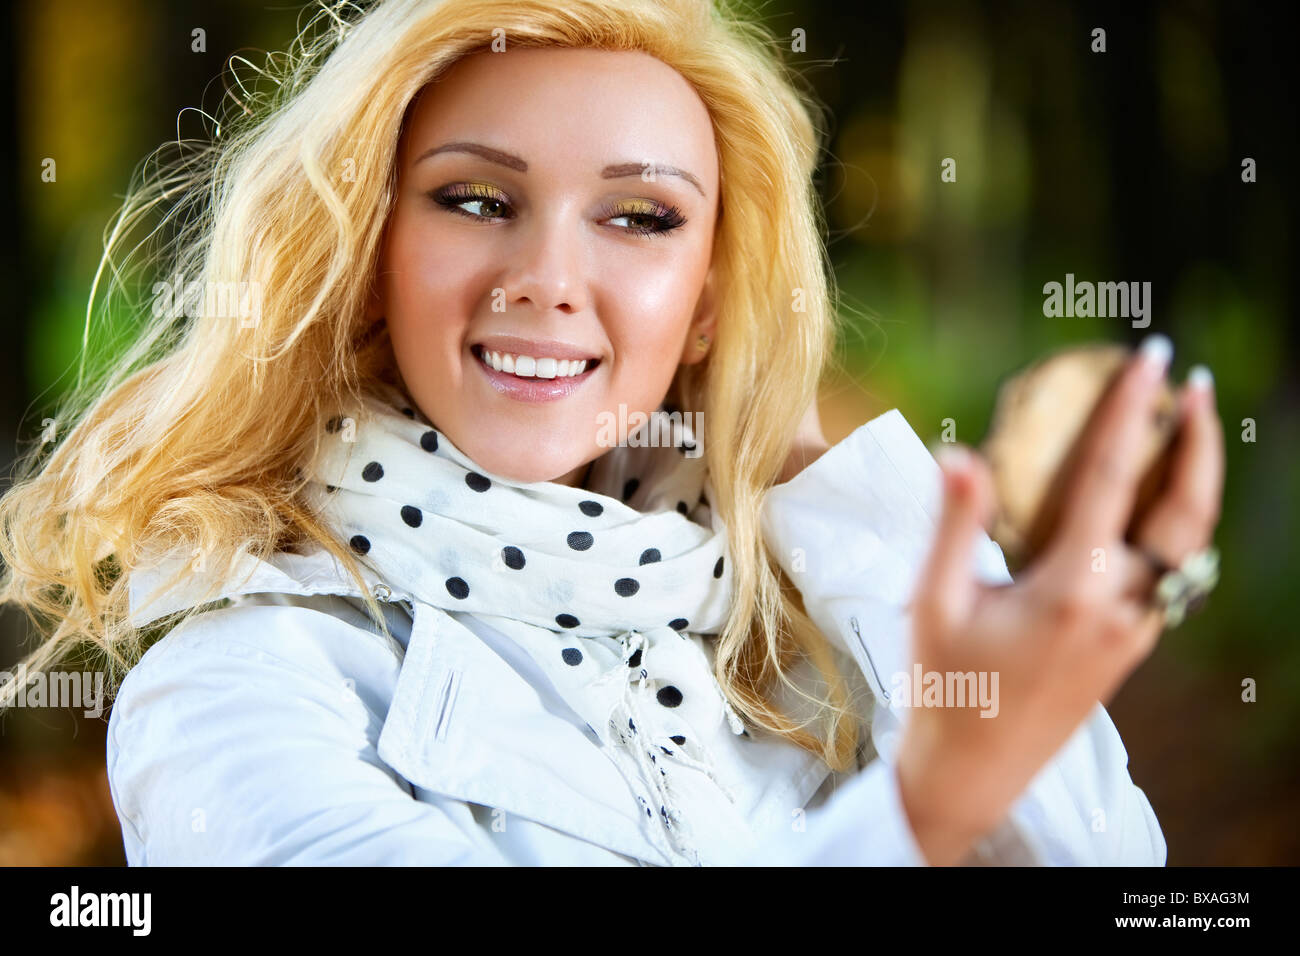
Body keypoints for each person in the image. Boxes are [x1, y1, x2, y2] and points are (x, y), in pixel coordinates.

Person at [0, 0, 1222, 867]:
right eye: (476, 199)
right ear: (371, 258)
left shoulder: (801, 644)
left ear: (706, 300)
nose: (546, 275)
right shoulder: (236, 687)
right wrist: (922, 808)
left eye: (640, 218)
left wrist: (835, 498)